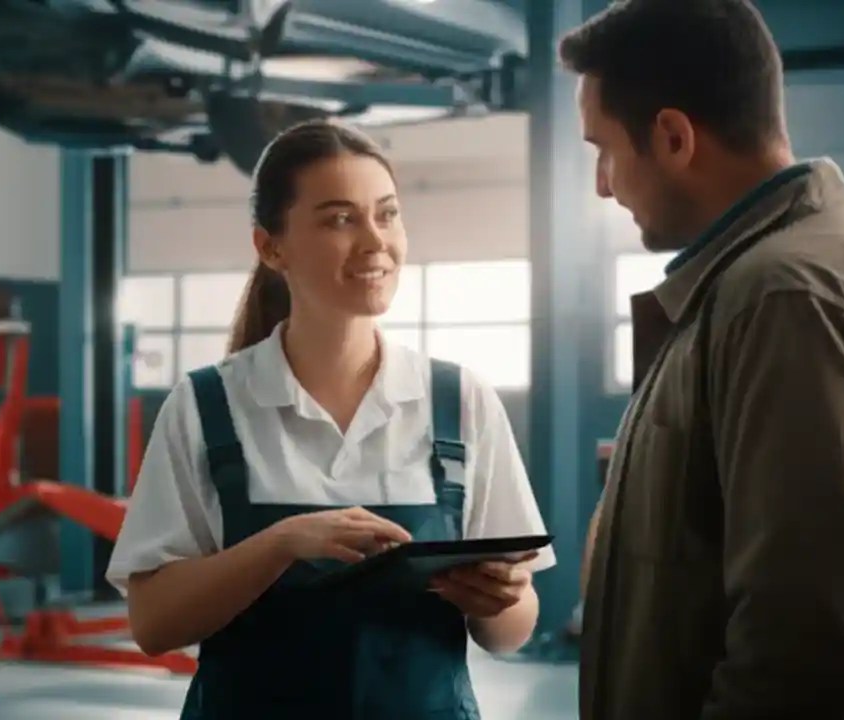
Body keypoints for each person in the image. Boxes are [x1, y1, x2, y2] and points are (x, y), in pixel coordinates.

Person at [559, 1, 844, 719]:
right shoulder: (763, 282)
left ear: (674, 137)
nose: (602, 184)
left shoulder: (784, 296)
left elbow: (805, 644)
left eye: (604, 150)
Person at [105, 118, 557, 719]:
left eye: (387, 215)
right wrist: (280, 544)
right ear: (271, 247)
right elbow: (153, 623)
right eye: (340, 219)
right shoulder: (207, 407)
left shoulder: (460, 401)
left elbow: (509, 633)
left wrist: (503, 597)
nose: (375, 242)